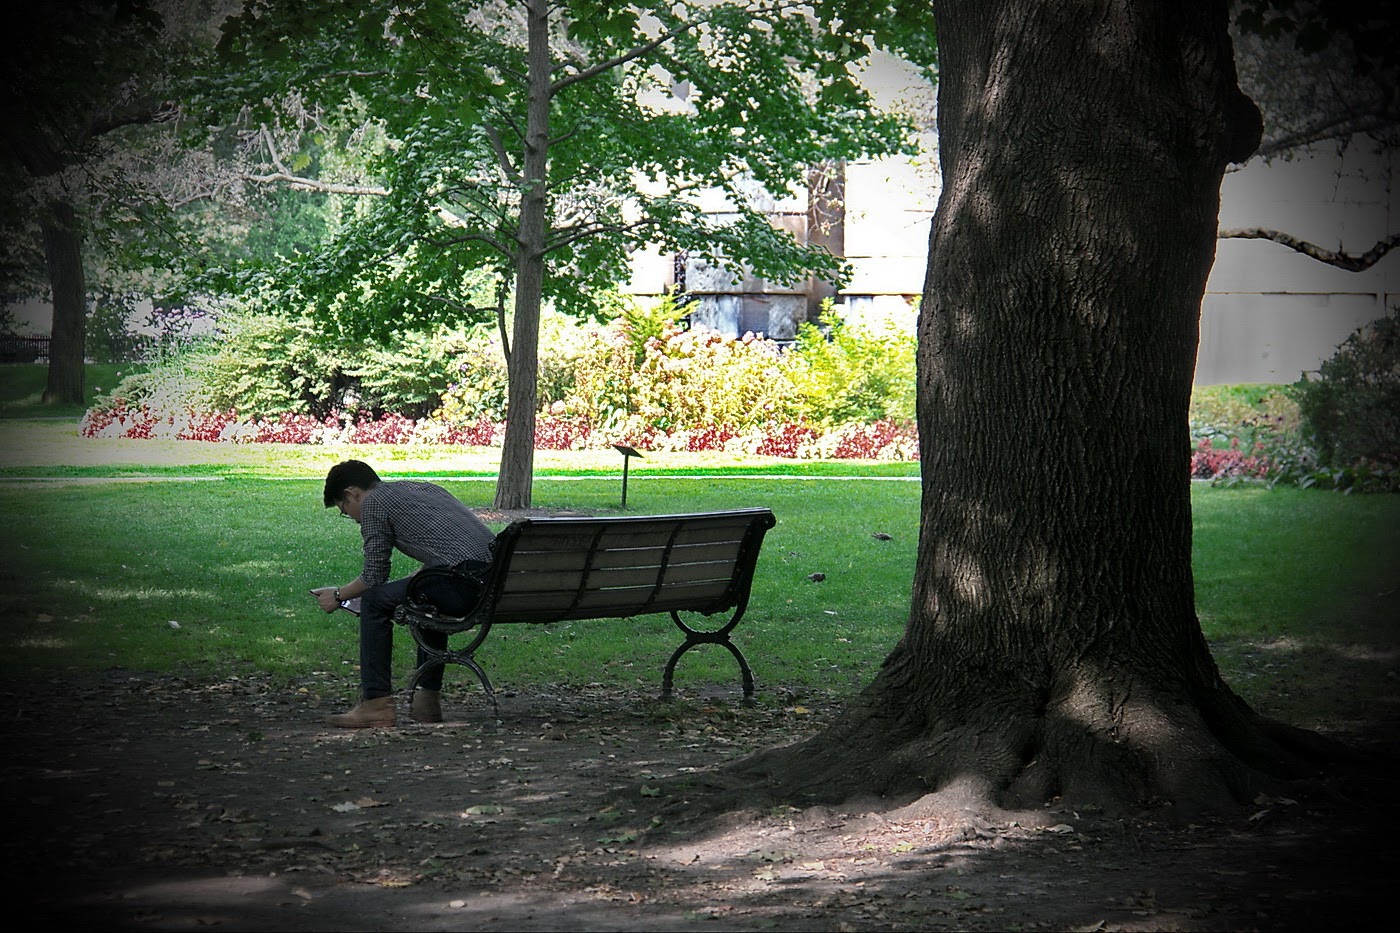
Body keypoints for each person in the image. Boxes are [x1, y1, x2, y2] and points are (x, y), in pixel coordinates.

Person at [312, 459, 495, 728]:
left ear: (353, 494)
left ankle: (376, 705)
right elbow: (451, 548)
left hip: (466, 586)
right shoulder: (425, 489)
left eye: (344, 509)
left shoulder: (374, 502)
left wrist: (338, 595)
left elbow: (374, 576)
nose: (351, 517)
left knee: (375, 601)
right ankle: (425, 702)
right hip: (494, 580)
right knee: (424, 595)